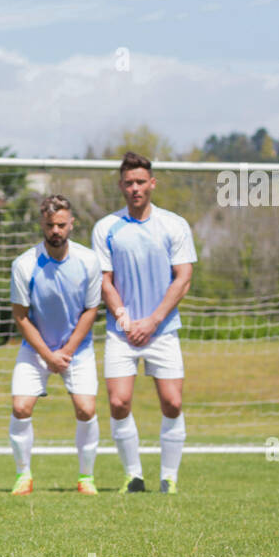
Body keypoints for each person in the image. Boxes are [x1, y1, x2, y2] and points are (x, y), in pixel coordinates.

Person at [90, 152, 196, 494]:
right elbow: (105, 280)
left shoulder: (174, 224)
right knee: (119, 402)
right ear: (121, 186)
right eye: (129, 183)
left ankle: (169, 477)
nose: (135, 188)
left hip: (161, 328)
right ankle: (133, 476)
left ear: (152, 183)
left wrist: (152, 321)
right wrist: (124, 317)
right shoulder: (106, 227)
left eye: (141, 182)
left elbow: (183, 278)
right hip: (122, 331)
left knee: (173, 402)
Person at [7, 195, 103, 496]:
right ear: (42, 225)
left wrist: (67, 352)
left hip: (78, 349)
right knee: (20, 407)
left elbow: (91, 310)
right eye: (50, 225)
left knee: (86, 410)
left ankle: (85, 478)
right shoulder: (24, 264)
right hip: (36, 350)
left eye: (61, 224)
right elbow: (21, 317)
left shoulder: (89, 261)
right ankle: (24, 476)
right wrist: (47, 355)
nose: (56, 231)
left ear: (71, 223)